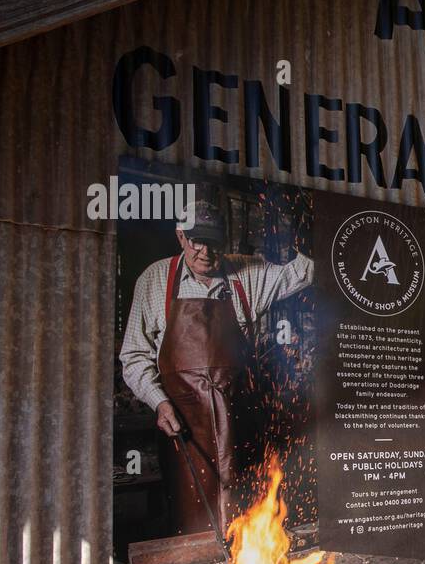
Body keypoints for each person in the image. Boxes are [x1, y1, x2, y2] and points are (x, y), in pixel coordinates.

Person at [119, 200, 313, 536]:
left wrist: (309, 228)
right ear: (180, 236)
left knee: (248, 521)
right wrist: (159, 403)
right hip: (184, 429)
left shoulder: (246, 274)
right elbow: (134, 355)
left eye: (214, 242)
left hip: (240, 425)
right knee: (192, 519)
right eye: (197, 241)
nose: (206, 252)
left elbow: (304, 271)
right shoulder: (154, 281)